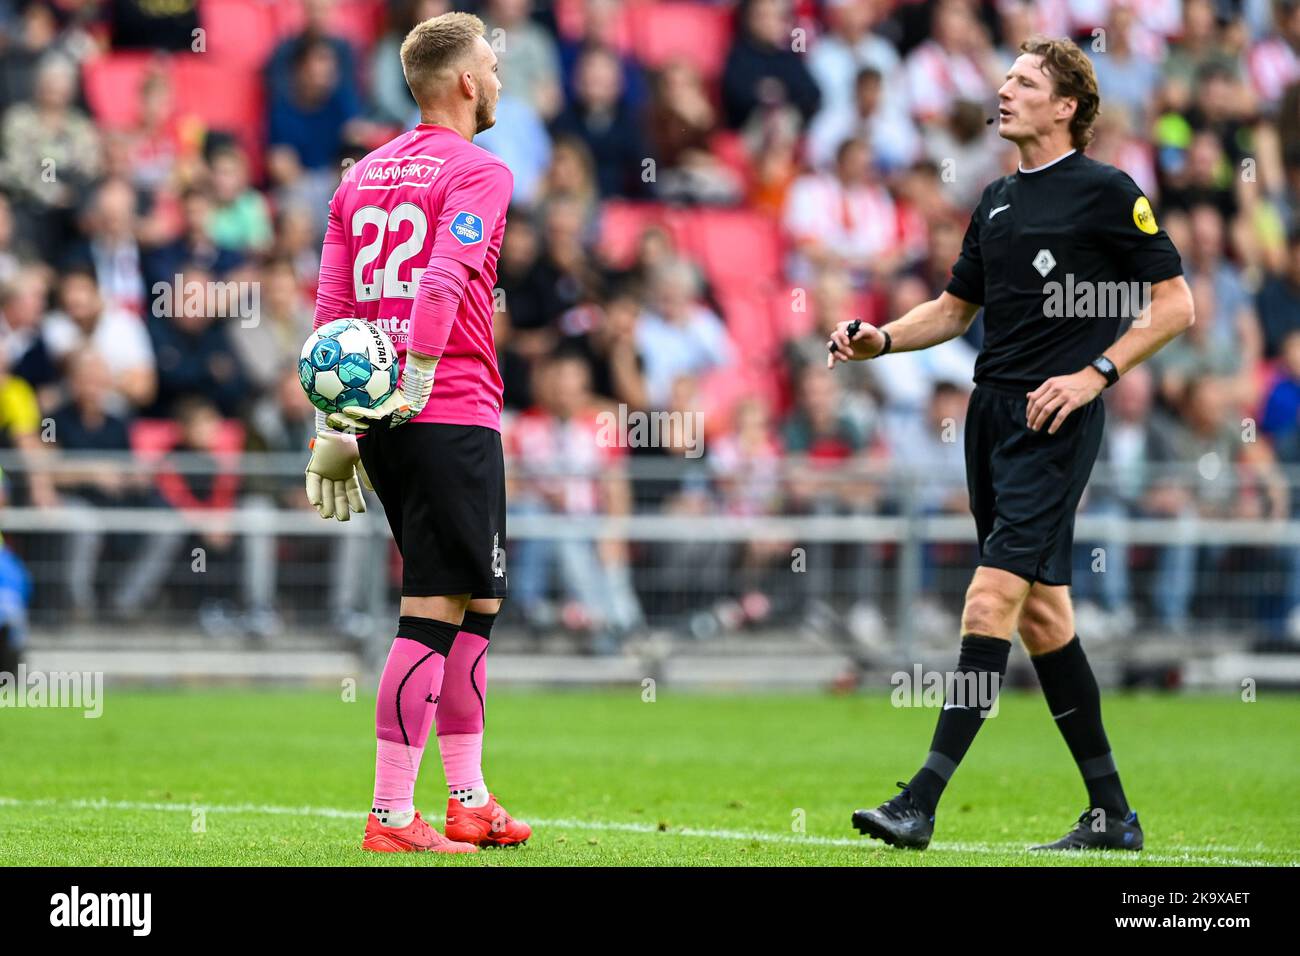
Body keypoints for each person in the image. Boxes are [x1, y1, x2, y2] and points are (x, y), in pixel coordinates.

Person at [829, 37, 1195, 851]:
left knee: (989, 600)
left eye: (1024, 82)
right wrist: (879, 339)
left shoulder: (1108, 193)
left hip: (1055, 420)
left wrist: (1094, 374)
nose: (1004, 90)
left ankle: (921, 798)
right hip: (991, 417)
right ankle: (1112, 815)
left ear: (1066, 106)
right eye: (1004, 78)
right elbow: (956, 311)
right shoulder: (994, 197)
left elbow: (1175, 306)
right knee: (1042, 620)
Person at [307, 11, 529, 853]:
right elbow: (442, 279)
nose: (500, 83)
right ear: (468, 82)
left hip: (385, 415)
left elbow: (333, 314)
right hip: (446, 406)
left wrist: (334, 425)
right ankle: (393, 814)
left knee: (479, 600)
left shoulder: (359, 176)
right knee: (432, 608)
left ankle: (469, 797)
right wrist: (425, 375)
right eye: (494, 70)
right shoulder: (480, 170)